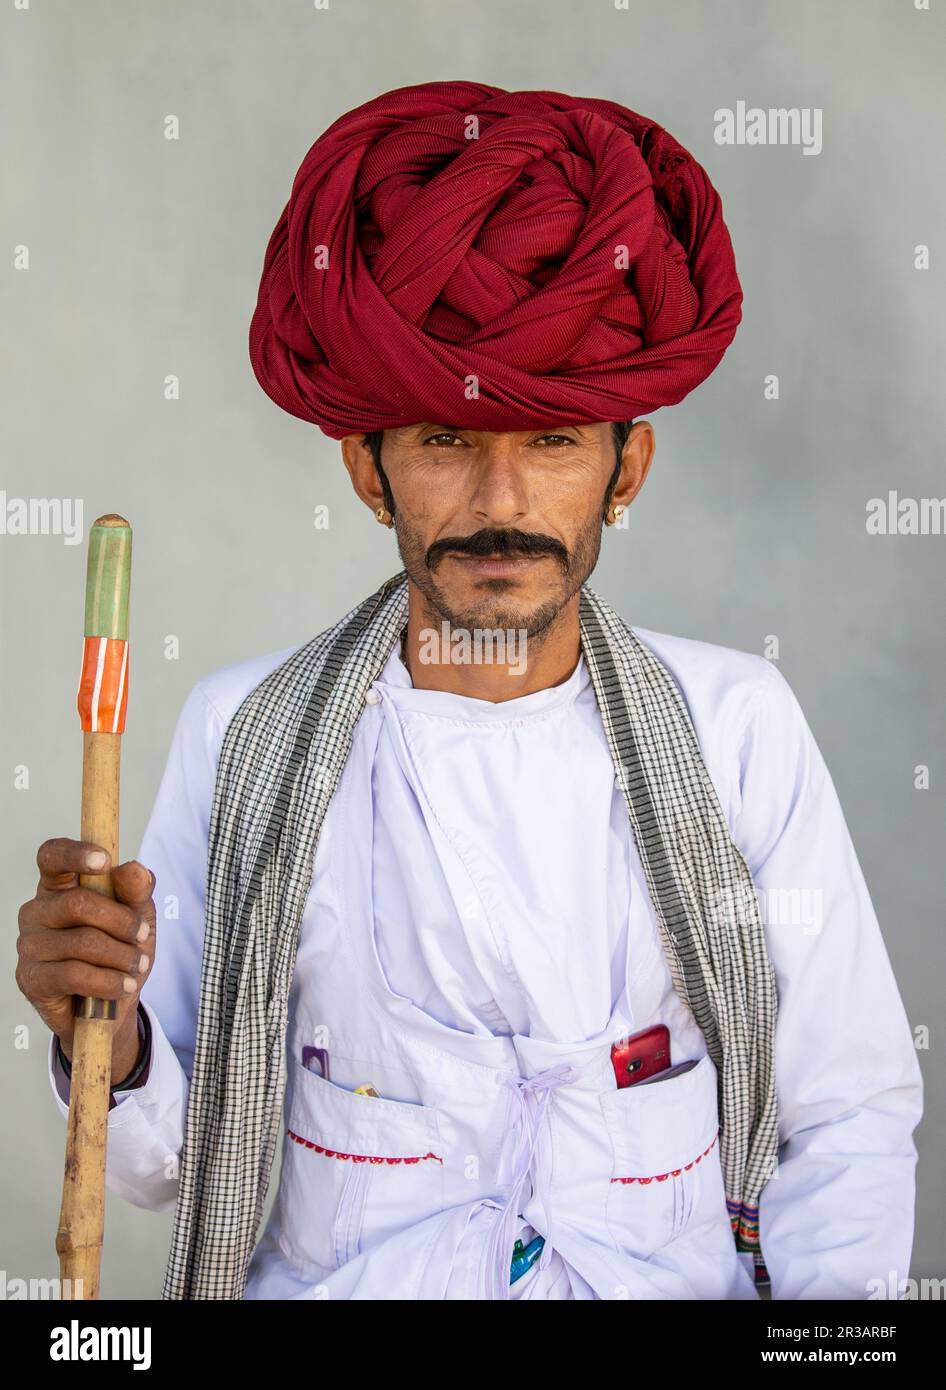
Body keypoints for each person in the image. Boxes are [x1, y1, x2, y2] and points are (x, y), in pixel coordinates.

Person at [16, 81, 922, 1301]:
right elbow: (166, 1164)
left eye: (553, 442)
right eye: (444, 440)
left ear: (625, 467)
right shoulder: (247, 734)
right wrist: (106, 1038)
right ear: (370, 472)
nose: (500, 504)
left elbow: (847, 1116)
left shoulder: (734, 727)